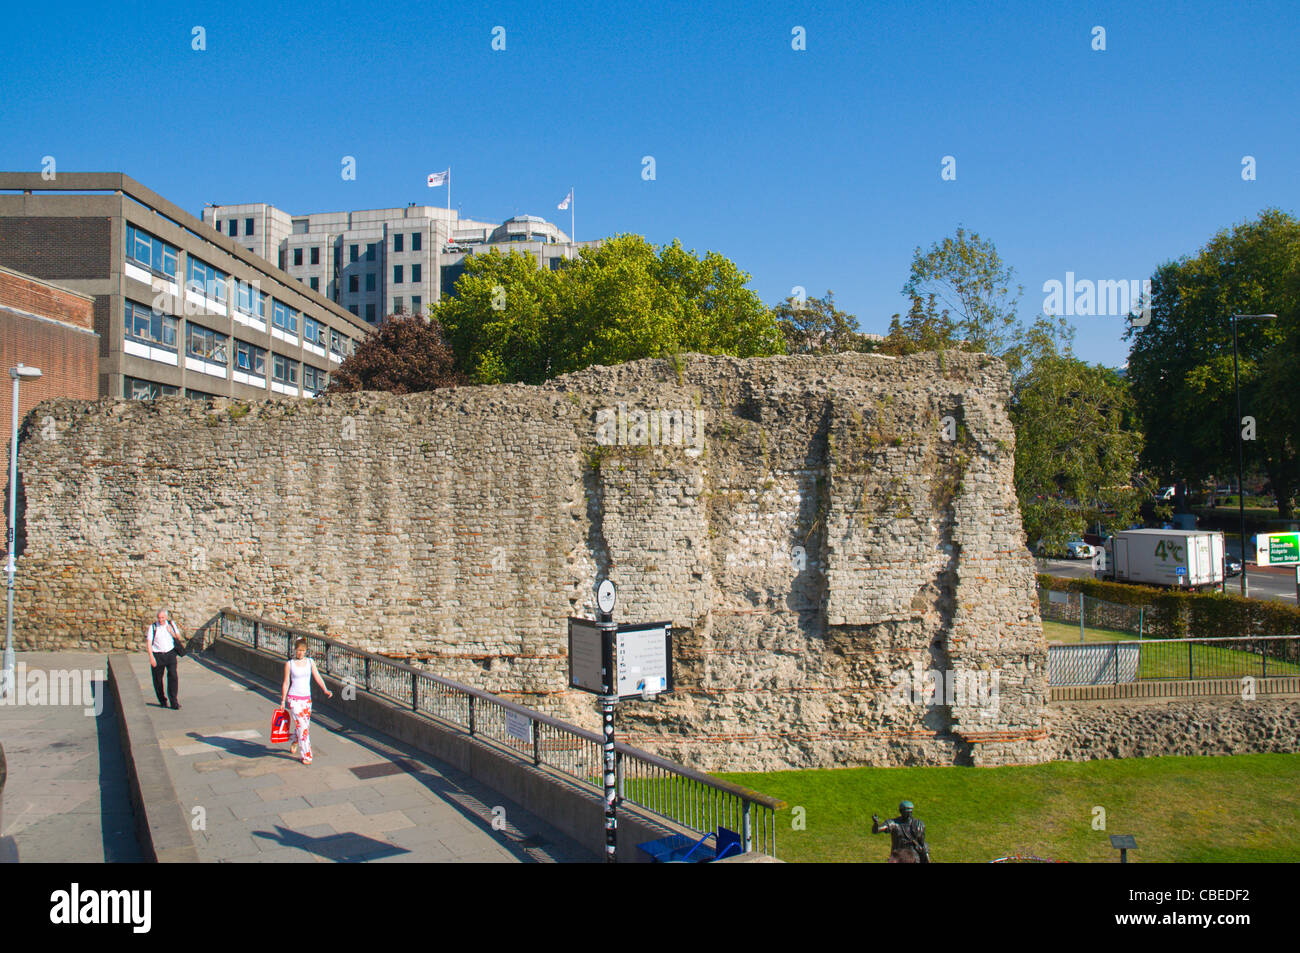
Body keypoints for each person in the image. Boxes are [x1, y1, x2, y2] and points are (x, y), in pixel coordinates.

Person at [279, 638, 333, 765]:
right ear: (295, 650)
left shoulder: (310, 662)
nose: (300, 653)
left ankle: (295, 739)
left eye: (303, 651)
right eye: (299, 650)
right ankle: (307, 755)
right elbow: (286, 682)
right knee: (303, 727)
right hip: (294, 698)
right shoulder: (290, 664)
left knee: (304, 727)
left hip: (306, 699)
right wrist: (282, 700)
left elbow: (317, 676)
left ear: (306, 651)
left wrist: (325, 689)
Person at [146, 609, 182, 710]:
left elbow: (178, 637)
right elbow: (149, 643)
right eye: (159, 618)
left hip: (170, 653)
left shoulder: (171, 624)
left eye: (162, 618)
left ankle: (174, 701)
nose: (160, 620)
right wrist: (151, 657)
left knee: (173, 676)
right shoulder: (153, 627)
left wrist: (171, 632)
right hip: (158, 655)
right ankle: (162, 700)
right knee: (157, 679)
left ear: (166, 617)